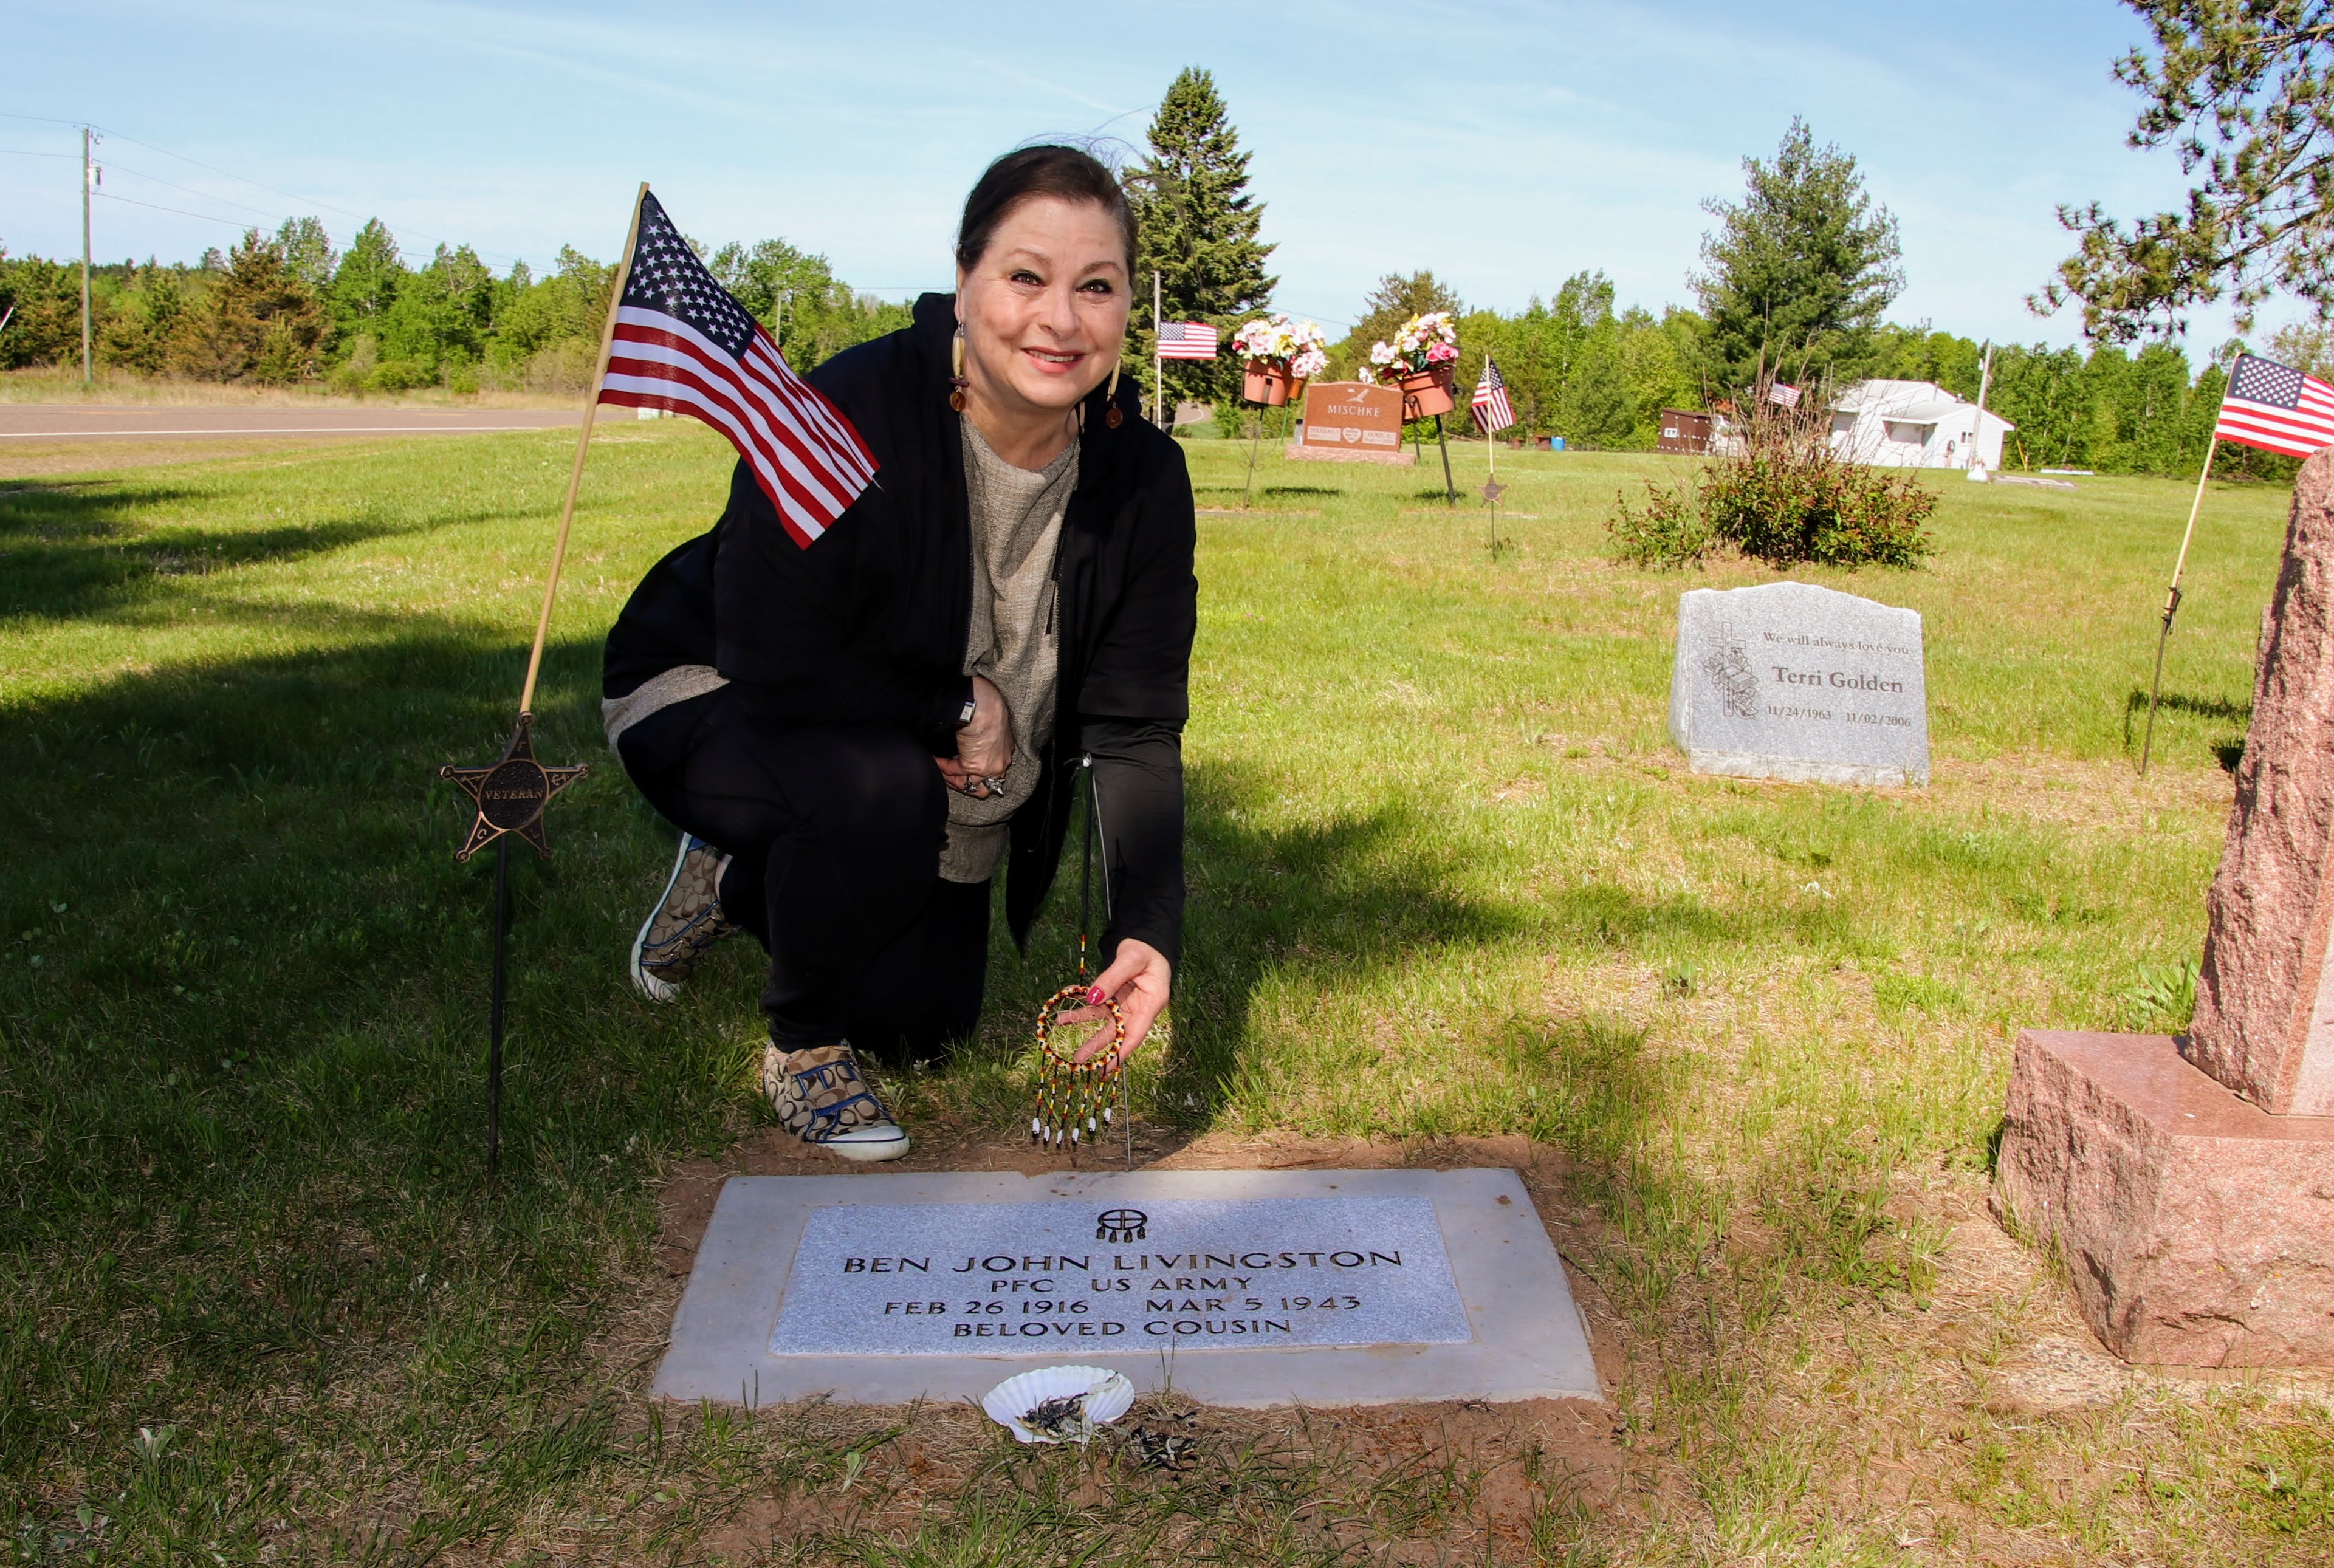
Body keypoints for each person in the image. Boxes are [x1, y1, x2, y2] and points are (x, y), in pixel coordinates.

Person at [599, 144, 1196, 1162]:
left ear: (1126, 304)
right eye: (1025, 277)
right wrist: (959, 706)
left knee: (924, 1026)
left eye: (1095, 287)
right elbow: (768, 647)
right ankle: (802, 1045)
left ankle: (738, 886)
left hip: (905, 743)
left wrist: (1148, 925)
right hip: (717, 687)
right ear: (962, 281)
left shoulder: (1141, 476)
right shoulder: (850, 409)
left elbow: (1133, 724)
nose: (1060, 318)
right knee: (877, 791)